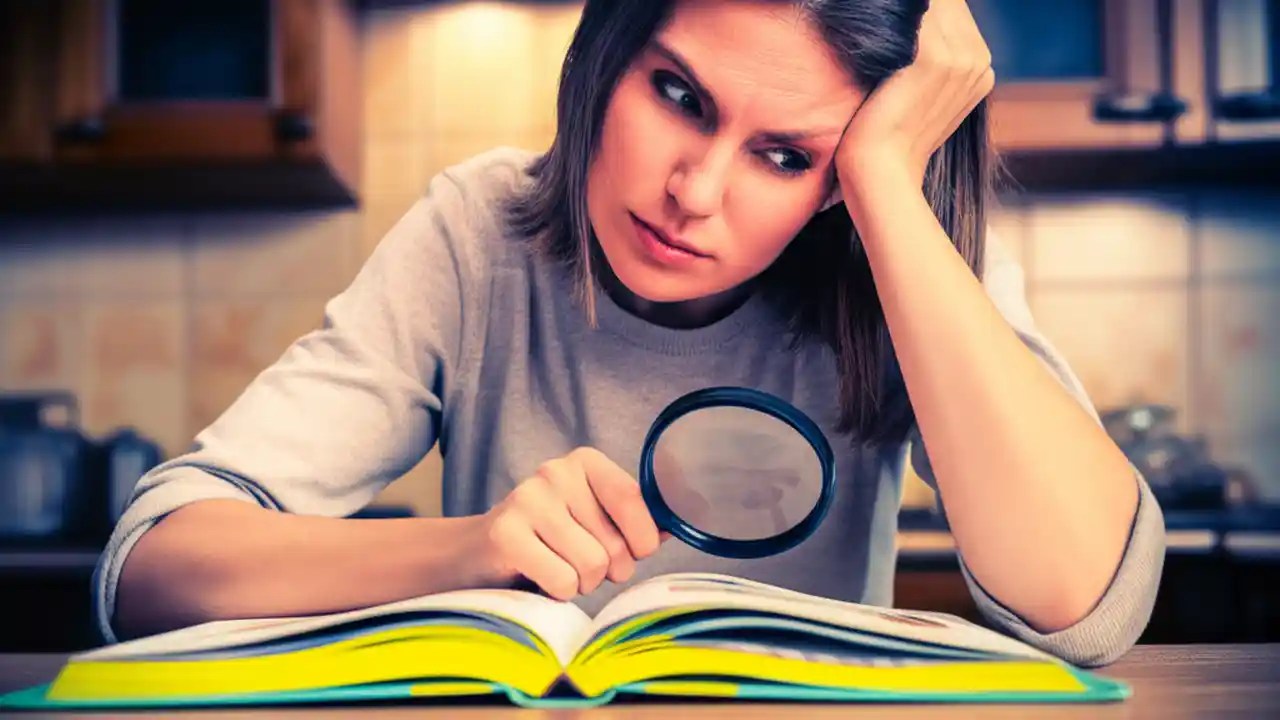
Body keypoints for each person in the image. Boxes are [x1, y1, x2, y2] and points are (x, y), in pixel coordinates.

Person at [98, 0, 1165, 669]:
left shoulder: (901, 265)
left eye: (787, 158)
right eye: (676, 94)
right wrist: (466, 551)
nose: (691, 193)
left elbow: (1084, 611)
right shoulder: (475, 236)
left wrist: (883, 182)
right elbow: (150, 566)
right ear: (605, 59)